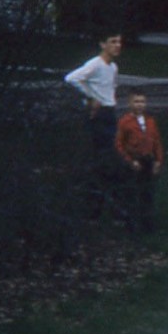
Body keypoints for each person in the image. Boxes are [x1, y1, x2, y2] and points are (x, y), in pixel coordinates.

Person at [64, 32, 123, 219]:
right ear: (102, 44)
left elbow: (111, 88)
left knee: (113, 156)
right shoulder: (95, 64)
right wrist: (91, 97)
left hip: (110, 112)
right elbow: (72, 78)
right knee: (102, 157)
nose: (117, 45)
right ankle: (93, 204)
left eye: (119, 42)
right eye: (113, 42)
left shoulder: (113, 67)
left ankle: (110, 200)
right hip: (99, 115)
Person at [113, 90, 163, 233]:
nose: (140, 105)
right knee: (132, 193)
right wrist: (129, 161)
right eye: (136, 102)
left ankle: (148, 224)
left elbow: (157, 142)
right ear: (130, 103)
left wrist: (158, 160)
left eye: (142, 102)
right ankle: (131, 225)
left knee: (147, 193)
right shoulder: (124, 122)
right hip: (134, 160)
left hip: (148, 159)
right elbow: (119, 144)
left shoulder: (150, 121)